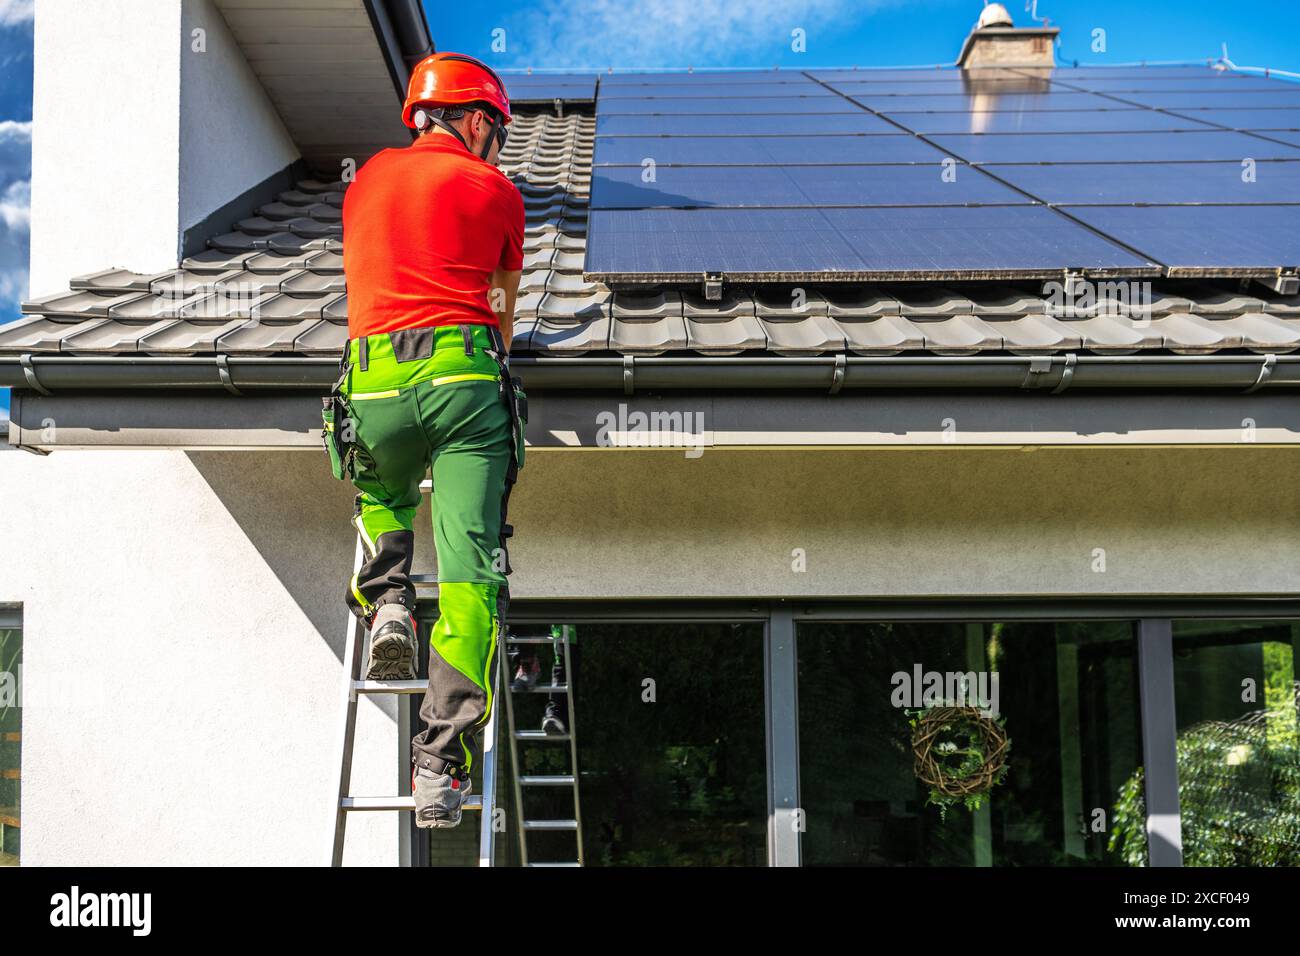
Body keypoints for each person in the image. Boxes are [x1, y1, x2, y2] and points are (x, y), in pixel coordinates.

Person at [330, 51, 525, 829]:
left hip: (372, 380)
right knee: (472, 568)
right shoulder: (496, 191)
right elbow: (501, 314)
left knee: (379, 491)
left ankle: (386, 604)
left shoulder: (366, 178)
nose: (497, 147)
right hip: (462, 380)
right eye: (497, 133)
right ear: (476, 120)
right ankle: (437, 763)